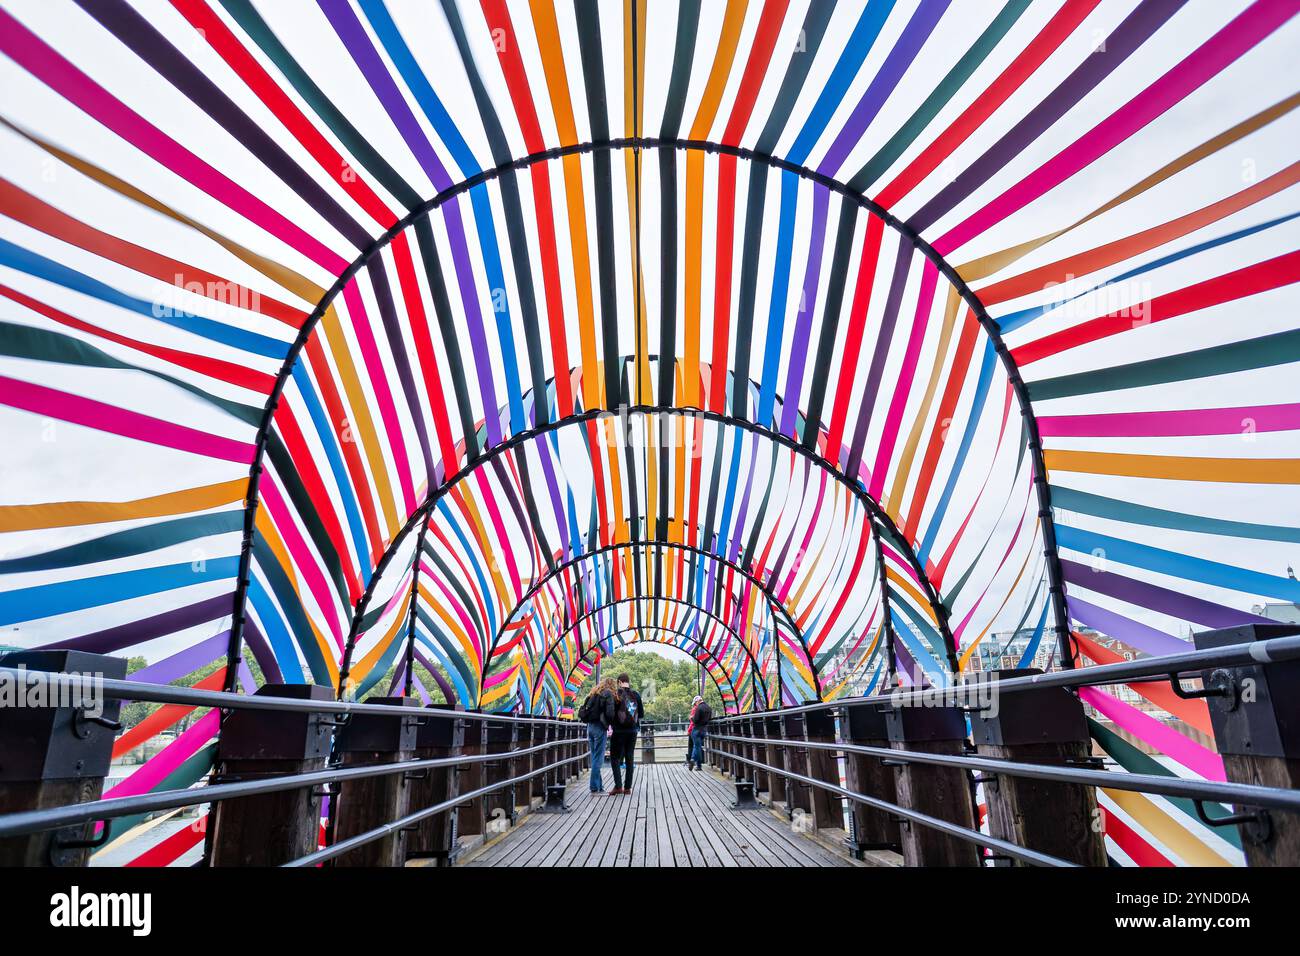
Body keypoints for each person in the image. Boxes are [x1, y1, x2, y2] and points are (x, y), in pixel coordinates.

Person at [577, 677, 616, 793]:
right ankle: (594, 787)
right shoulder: (608, 694)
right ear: (611, 685)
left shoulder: (593, 693)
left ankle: (599, 787)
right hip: (600, 727)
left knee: (595, 756)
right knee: (598, 759)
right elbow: (610, 713)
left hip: (590, 727)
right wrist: (611, 723)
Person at [608, 673, 643, 795]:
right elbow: (641, 714)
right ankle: (627, 788)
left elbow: (611, 713)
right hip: (632, 731)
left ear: (619, 682)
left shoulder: (616, 694)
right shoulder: (636, 695)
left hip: (618, 731)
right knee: (629, 757)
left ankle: (618, 786)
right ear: (628, 681)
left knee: (615, 758)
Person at [687, 694, 712, 771]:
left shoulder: (699, 708)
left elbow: (696, 720)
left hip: (696, 729)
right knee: (698, 747)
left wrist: (691, 718)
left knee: (696, 747)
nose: (695, 704)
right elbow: (709, 718)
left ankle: (693, 759)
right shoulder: (709, 708)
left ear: (697, 701)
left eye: (695, 703)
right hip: (704, 730)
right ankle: (699, 766)